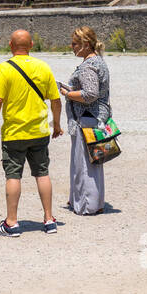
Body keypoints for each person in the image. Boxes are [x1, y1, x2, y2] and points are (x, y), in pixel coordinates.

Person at [0, 29, 62, 235]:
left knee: (13, 176)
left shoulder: (4, 69)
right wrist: (57, 124)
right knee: (42, 173)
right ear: (32, 45)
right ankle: (49, 219)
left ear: (10, 45)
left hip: (15, 132)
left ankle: (12, 222)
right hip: (39, 131)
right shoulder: (43, 67)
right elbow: (55, 100)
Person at [58, 26, 111, 216]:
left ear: (85, 45)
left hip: (86, 119)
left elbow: (90, 94)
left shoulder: (88, 65)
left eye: (75, 44)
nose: (71, 47)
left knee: (85, 164)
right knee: (92, 163)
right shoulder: (98, 61)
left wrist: (67, 93)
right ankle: (91, 201)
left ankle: (87, 204)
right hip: (95, 118)